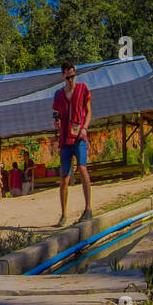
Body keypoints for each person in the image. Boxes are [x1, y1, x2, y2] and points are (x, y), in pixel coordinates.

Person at [52, 60, 93, 226]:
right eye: (68, 77)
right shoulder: (58, 95)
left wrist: (84, 127)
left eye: (73, 76)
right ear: (63, 76)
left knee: (82, 168)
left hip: (79, 137)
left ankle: (88, 208)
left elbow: (89, 111)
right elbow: (56, 114)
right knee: (65, 178)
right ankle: (63, 214)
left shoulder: (83, 89)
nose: (71, 80)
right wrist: (57, 122)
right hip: (65, 139)